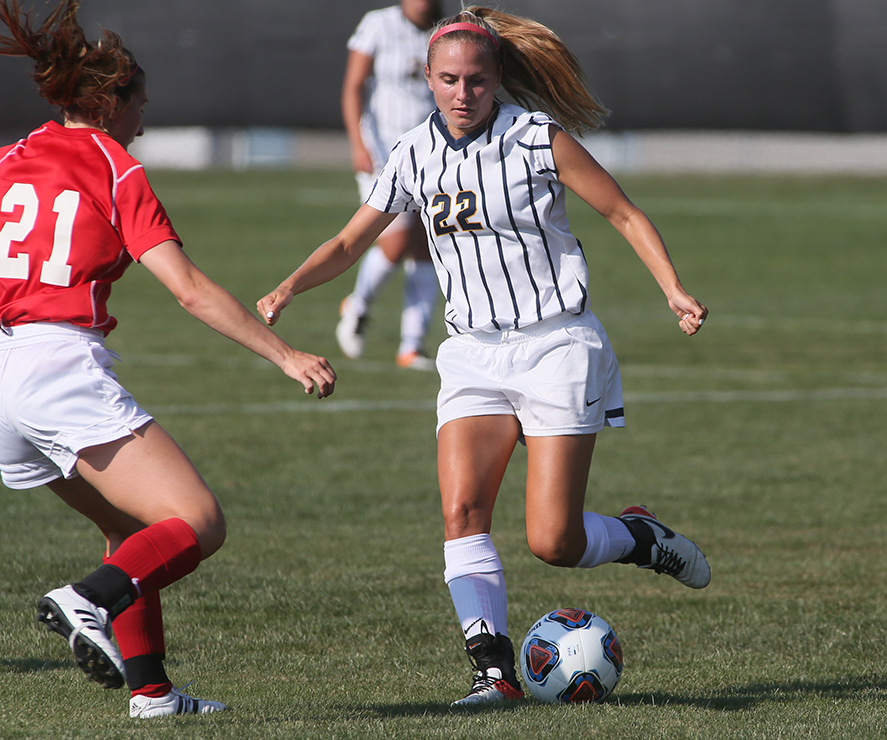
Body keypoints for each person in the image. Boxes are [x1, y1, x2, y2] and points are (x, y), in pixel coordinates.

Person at [258, 7, 710, 706]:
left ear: (497, 78)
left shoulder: (537, 139)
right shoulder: (411, 152)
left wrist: (674, 289)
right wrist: (290, 284)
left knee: (553, 541)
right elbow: (351, 243)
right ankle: (494, 673)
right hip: (471, 353)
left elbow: (621, 212)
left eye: (475, 80)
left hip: (557, 345)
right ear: (427, 79)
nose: (462, 93)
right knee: (462, 511)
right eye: (448, 80)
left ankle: (640, 537)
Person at [0, 0, 336, 719]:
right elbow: (187, 290)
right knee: (198, 522)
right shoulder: (117, 168)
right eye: (141, 105)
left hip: (4, 378)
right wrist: (284, 353)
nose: (144, 121)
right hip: (58, 366)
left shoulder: (10, 158)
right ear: (112, 101)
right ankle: (85, 599)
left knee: (134, 530)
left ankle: (151, 693)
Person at [337, 0, 443, 370]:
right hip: (383, 152)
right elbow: (353, 87)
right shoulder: (379, 24)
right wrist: (358, 143)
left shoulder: (446, 28)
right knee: (395, 242)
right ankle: (358, 304)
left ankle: (411, 346)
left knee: (429, 244)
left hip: (431, 149)